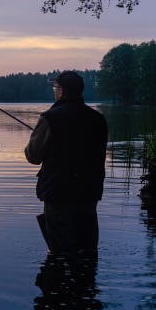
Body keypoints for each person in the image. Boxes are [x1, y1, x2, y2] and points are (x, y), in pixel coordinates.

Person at [24, 71, 108, 254]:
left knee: (60, 254)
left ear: (61, 91)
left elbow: (33, 156)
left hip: (59, 195)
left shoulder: (50, 118)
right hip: (89, 195)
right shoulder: (98, 120)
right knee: (87, 253)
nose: (54, 91)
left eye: (55, 87)